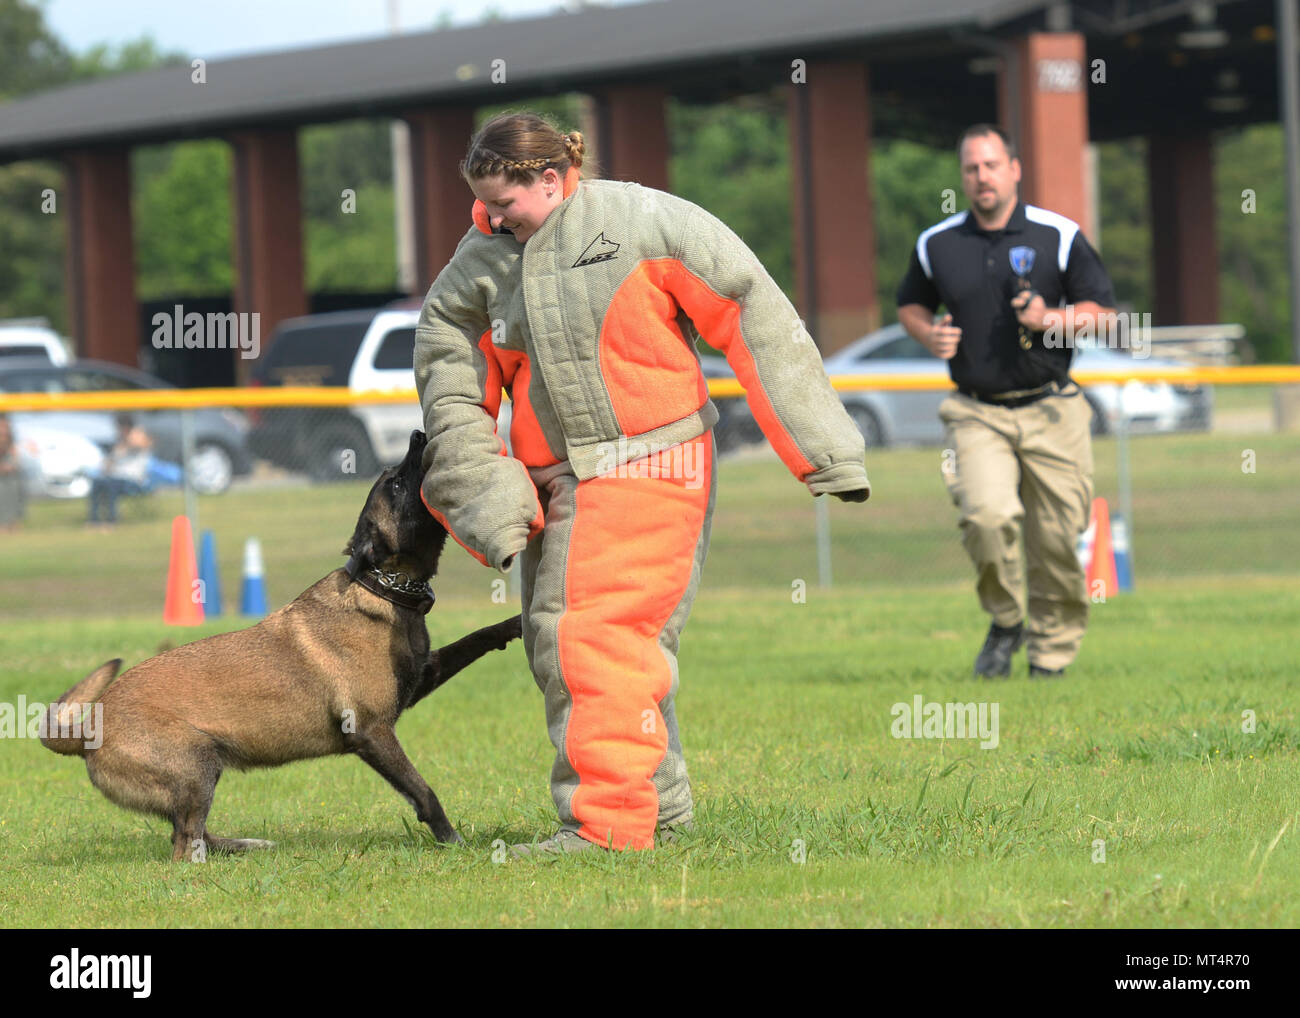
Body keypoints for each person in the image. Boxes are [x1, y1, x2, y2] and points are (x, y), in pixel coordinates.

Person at [414, 111, 870, 855]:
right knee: (587, 642)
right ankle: (659, 806)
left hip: (652, 458)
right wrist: (486, 492)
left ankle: (609, 827)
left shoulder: (645, 221)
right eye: (483, 204)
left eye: (505, 203)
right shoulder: (480, 263)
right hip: (561, 479)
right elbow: (450, 380)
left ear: (553, 179)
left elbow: (754, 311)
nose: (491, 218)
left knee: (590, 637)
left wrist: (825, 451)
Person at [896, 124, 1118, 679]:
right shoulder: (938, 243)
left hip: (1052, 407)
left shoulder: (1057, 235)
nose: (982, 177)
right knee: (986, 516)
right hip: (977, 410)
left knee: (1057, 540)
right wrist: (929, 335)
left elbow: (1104, 313)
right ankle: (1006, 620)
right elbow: (910, 306)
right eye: (972, 168)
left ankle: (1051, 658)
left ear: (1015, 169)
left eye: (992, 165)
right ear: (963, 177)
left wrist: (1052, 319)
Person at [88, 413, 153, 528]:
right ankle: (94, 520)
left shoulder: (138, 438)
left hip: (134, 481)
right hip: (116, 478)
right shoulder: (119, 444)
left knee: (111, 485)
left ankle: (111, 520)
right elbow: (109, 462)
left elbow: (145, 443)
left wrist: (130, 437)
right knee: (97, 483)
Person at [0, 415, 25, 531]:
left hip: (10, 474)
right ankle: (3, 524)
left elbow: (15, 457)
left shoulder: (11, 439)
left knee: (14, 490)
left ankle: (13, 522)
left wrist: (12, 465)